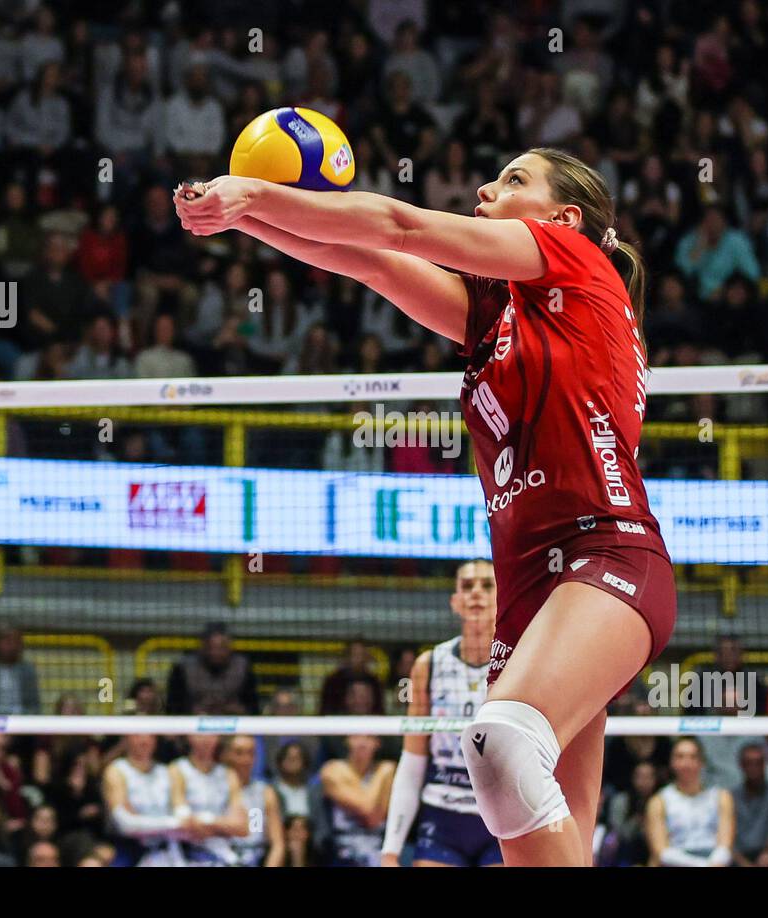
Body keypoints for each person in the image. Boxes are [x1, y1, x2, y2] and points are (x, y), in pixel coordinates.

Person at [176, 145, 675, 867]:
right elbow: (374, 261)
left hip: (607, 555)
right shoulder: (498, 318)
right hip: (531, 591)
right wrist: (244, 219)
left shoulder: (569, 255)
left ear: (564, 217)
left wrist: (253, 191)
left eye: (512, 180)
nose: (483, 188)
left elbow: (397, 225)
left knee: (499, 743)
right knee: (547, 814)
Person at [381, 559, 502, 867]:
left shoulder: (518, 662)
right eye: (467, 587)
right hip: (442, 816)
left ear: (501, 598)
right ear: (455, 602)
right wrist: (391, 850)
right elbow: (412, 761)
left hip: (502, 810)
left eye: (487, 586)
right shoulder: (428, 664)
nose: (476, 593)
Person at [102, 734, 191, 867]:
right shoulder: (116, 771)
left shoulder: (168, 771)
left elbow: (184, 817)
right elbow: (126, 823)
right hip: (131, 850)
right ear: (127, 739)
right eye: (138, 736)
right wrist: (172, 824)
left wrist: (142, 821)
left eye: (149, 736)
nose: (144, 741)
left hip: (169, 848)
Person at [645, 738, 734, 866]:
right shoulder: (658, 801)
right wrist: (701, 865)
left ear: (702, 762)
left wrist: (713, 863)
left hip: (714, 860)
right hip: (676, 861)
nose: (686, 763)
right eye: (680, 757)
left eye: (692, 757)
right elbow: (661, 852)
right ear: (672, 762)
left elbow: (725, 846)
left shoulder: (722, 797)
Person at [170, 731, 249, 865]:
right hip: (188, 856)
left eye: (211, 735)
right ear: (190, 737)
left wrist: (206, 820)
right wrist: (223, 825)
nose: (206, 740)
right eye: (200, 735)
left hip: (228, 855)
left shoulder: (231, 776)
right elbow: (185, 823)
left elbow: (242, 827)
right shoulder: (177, 769)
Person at [320, 735, 394, 866]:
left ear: (377, 743)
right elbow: (367, 809)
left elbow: (374, 820)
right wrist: (382, 774)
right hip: (341, 856)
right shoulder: (331, 770)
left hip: (378, 854)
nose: (362, 742)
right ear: (347, 739)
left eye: (368, 737)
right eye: (357, 736)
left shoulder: (386, 770)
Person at [223, 734, 284, 867]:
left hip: (254, 859)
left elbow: (277, 844)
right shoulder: (215, 788)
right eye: (239, 753)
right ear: (226, 755)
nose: (246, 759)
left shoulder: (264, 792)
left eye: (251, 753)